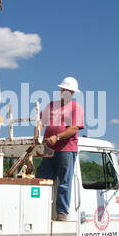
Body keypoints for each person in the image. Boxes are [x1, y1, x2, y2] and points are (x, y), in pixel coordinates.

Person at [40, 76, 84, 222]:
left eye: (69, 90)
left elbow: (73, 129)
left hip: (66, 149)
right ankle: (40, 209)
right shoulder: (51, 106)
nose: (65, 91)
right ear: (61, 90)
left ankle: (61, 212)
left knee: (64, 182)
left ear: (72, 93)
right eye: (64, 89)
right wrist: (38, 132)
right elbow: (41, 121)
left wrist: (57, 137)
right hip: (49, 148)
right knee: (42, 179)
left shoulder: (76, 108)